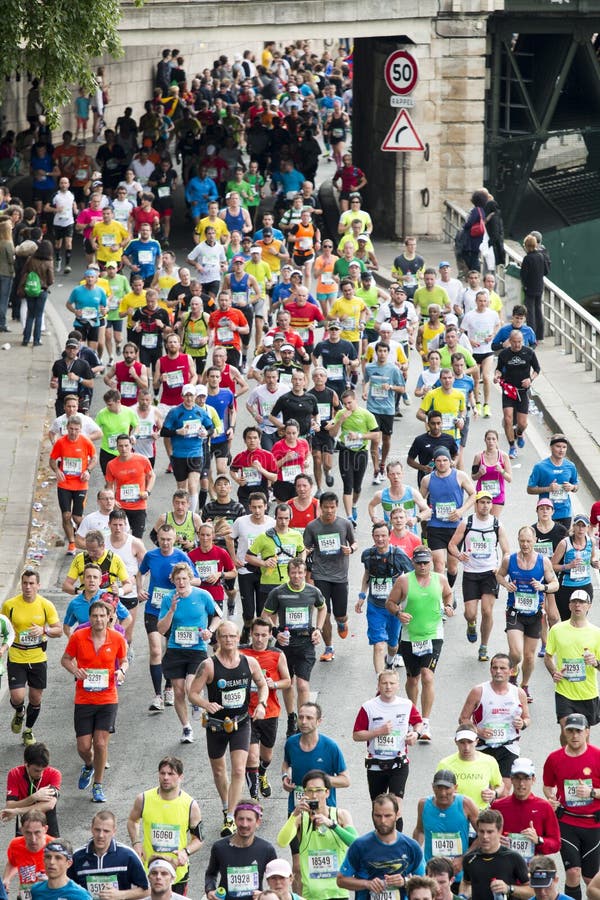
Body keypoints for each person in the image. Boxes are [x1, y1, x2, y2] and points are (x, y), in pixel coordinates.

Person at [188, 622, 269, 837]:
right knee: (218, 771)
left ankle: (231, 817)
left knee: (239, 770)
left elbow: (263, 685)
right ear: (218, 638)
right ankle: (226, 806)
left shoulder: (249, 662)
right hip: (216, 726)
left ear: (238, 637)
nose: (229, 640)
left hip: (241, 723)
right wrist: (206, 704)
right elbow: (192, 693)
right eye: (224, 636)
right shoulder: (209, 665)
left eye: (232, 636)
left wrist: (261, 704)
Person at [61, 600, 128, 803]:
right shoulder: (78, 637)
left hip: (108, 698)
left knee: (100, 743)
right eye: (95, 616)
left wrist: (122, 671)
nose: (98, 619)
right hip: (84, 698)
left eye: (102, 616)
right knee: (83, 747)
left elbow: (124, 660)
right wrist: (75, 670)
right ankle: (89, 766)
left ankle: (98, 785)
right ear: (89, 618)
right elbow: (65, 659)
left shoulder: (117, 638)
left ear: (109, 617)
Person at [385, 546, 454, 741]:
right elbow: (390, 603)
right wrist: (398, 613)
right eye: (419, 563)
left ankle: (425, 722)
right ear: (412, 562)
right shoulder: (404, 581)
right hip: (410, 637)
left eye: (426, 562)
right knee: (413, 679)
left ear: (431, 562)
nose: (422, 566)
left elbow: (448, 594)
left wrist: (448, 606)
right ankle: (412, 716)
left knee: (427, 675)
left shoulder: (440, 579)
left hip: (433, 635)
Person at [157, 562, 221, 744]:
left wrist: (210, 630)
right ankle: (186, 728)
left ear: (190, 579)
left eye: (184, 578)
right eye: (178, 579)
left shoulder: (203, 595)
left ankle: (196, 701)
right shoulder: (168, 598)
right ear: (173, 580)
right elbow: (161, 629)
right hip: (175, 649)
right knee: (178, 692)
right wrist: (171, 611)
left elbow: (218, 615)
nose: (181, 582)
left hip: (197, 649)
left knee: (189, 688)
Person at [263, 559, 327, 736]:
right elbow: (265, 615)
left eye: (300, 573)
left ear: (305, 573)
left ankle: (302, 721)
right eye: (293, 573)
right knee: (287, 683)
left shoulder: (313, 591)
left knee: (302, 684)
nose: (297, 576)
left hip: (306, 642)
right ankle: (291, 717)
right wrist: (276, 633)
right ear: (288, 573)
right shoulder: (278, 592)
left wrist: (318, 629)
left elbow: (322, 608)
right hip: (285, 643)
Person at [353, 669, 423, 829]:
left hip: (398, 763)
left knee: (395, 808)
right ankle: (380, 838)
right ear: (378, 685)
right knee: (378, 809)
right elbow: (356, 735)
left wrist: (416, 733)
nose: (388, 687)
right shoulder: (368, 707)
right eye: (384, 683)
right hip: (375, 764)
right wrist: (378, 732)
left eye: (392, 683)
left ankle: (397, 839)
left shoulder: (406, 705)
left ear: (398, 685)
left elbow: (418, 723)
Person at [496, 525, 559, 701]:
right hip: (515, 612)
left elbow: (555, 584)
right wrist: (506, 584)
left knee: (530, 657)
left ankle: (524, 686)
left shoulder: (543, 561)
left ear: (535, 541)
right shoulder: (509, 560)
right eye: (522, 541)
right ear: (518, 540)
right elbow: (499, 575)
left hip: (534, 614)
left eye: (528, 541)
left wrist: (543, 587)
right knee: (516, 653)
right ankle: (513, 671)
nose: (525, 544)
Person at [2, 569, 61, 747]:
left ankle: (28, 730)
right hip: (17, 656)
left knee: (35, 698)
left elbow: (58, 630)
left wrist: (44, 630)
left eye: (31, 583)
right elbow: (3, 627)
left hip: (37, 657)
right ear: (21, 584)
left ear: (38, 585)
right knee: (17, 697)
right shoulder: (10, 605)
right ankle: (19, 712)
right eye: (25, 583)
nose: (28, 587)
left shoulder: (46, 605)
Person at [543, 713, 600, 897]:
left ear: (587, 732)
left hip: (593, 824)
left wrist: (592, 793)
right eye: (570, 731)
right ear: (564, 733)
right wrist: (551, 797)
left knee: (590, 880)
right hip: (567, 822)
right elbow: (547, 786)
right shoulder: (554, 758)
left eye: (579, 731)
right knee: (573, 872)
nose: (575, 735)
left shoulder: (597, 756)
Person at [448, 491, 510, 662]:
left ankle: (484, 646)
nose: (485, 506)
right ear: (476, 504)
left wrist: (500, 567)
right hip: (470, 573)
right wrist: (459, 555)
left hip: (490, 573)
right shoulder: (467, 523)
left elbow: (506, 551)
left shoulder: (497, 524)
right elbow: (452, 545)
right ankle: (471, 624)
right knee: (470, 613)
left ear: (491, 505)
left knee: (487, 611)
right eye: (482, 502)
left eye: (488, 502)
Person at [277, 770, 357, 900]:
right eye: (309, 791)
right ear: (304, 793)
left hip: (338, 894)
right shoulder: (300, 818)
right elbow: (281, 842)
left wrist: (332, 825)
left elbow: (356, 844)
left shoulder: (340, 815)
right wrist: (294, 815)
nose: (314, 795)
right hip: (311, 895)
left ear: (327, 792)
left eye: (319, 790)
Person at [127, 756, 203, 892]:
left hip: (177, 872)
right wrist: (136, 842)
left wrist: (185, 852)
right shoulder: (143, 799)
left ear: (181, 777)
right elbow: (133, 821)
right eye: (162, 773)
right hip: (150, 871)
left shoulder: (190, 805)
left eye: (171, 774)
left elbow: (198, 839)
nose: (166, 777)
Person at [458, 653, 531, 794]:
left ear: (511, 671)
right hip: (483, 746)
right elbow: (463, 719)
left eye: (502, 668)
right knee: (483, 790)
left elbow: (527, 718)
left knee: (503, 792)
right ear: (490, 670)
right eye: (495, 667)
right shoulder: (478, 691)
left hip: (508, 746)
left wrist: (522, 723)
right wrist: (478, 731)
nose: (498, 671)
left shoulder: (519, 693)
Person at [241, 618, 292, 800]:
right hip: (246, 712)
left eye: (264, 635)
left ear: (271, 635)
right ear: (250, 634)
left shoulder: (277, 654)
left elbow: (288, 681)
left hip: (270, 712)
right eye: (256, 634)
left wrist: (274, 684)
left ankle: (262, 774)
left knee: (266, 756)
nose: (259, 639)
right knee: (252, 756)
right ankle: (254, 797)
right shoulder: (241, 653)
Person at [337, 794, 425, 898]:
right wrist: (367, 884)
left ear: (397, 815)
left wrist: (404, 881)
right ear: (372, 815)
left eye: (388, 816)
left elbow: (425, 881)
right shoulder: (359, 846)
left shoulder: (411, 847)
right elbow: (341, 880)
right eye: (378, 816)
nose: (383, 821)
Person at [303, 493, 356, 663]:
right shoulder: (312, 527)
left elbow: (354, 543)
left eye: (332, 507)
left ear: (337, 507)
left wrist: (351, 549)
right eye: (325, 507)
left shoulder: (344, 524)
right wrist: (303, 559)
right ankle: (329, 648)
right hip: (320, 574)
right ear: (320, 507)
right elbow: (305, 547)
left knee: (340, 615)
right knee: (324, 612)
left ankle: (342, 622)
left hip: (340, 575)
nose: (329, 510)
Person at [357, 523, 414, 672]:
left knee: (393, 645)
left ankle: (389, 661)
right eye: (377, 536)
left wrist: (409, 600)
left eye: (383, 535)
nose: (380, 539)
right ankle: (380, 678)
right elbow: (367, 574)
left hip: (394, 607)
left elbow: (412, 577)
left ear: (389, 536)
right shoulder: (367, 555)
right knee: (379, 645)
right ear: (372, 537)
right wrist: (362, 595)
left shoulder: (399, 555)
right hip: (375, 607)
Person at [544, 589, 600, 735]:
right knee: (567, 731)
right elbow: (548, 657)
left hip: (588, 693)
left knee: (582, 737)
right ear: (569, 606)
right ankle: (565, 750)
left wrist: (595, 662)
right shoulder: (557, 630)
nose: (577, 605)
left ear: (589, 606)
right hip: (564, 692)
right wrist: (554, 672)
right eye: (574, 602)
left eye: (582, 602)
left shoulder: (596, 633)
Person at [420, 446, 475, 584]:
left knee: (452, 567)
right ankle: (441, 594)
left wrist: (461, 511)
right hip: (435, 526)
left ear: (450, 461)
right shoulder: (427, 480)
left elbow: (474, 494)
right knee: (439, 565)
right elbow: (420, 500)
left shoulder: (460, 476)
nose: (442, 463)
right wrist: (426, 512)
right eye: (438, 461)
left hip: (455, 527)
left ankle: (448, 590)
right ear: (434, 462)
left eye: (445, 460)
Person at [326, 389, 380, 523]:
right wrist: (340, 420)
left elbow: (376, 435)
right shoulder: (341, 413)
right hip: (346, 452)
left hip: (361, 452)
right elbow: (332, 434)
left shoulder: (366, 415)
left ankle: (354, 504)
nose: (347, 406)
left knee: (357, 487)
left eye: (349, 403)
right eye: (345, 404)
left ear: (355, 400)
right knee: (347, 485)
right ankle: (349, 517)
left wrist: (359, 436)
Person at [491, 757, 561, 861]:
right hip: (504, 864)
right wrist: (495, 840)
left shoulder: (544, 807)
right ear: (511, 779)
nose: (521, 783)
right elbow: (484, 835)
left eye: (526, 778)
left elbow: (556, 844)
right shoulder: (497, 806)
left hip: (533, 866)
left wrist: (538, 840)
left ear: (533, 780)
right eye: (517, 778)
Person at [204, 800, 277, 900]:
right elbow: (211, 874)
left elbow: (277, 880)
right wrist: (210, 890)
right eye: (241, 819)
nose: (244, 824)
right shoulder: (219, 847)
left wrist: (264, 895)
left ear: (258, 822)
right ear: (234, 820)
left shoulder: (266, 849)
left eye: (249, 819)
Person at [160, 383, 214, 514]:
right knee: (182, 489)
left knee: (193, 485)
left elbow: (211, 428)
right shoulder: (175, 412)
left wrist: (206, 433)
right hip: (179, 455)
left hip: (195, 453)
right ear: (182, 396)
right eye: (187, 395)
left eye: (191, 395)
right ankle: (182, 512)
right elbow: (163, 432)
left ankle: (192, 515)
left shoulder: (200, 412)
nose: (189, 398)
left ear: (195, 396)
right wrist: (177, 432)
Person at [70, 810, 148, 898]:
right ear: (91, 829)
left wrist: (120, 895)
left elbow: (147, 889)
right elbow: (65, 887)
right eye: (97, 830)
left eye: (106, 831)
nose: (101, 835)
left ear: (114, 832)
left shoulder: (128, 855)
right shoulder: (77, 857)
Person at [246, 503, 305, 618]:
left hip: (290, 582)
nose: (283, 522)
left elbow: (302, 550)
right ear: (275, 518)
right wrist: (264, 563)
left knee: (288, 616)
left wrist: (300, 565)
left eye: (286, 518)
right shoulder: (264, 537)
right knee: (268, 618)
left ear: (291, 517)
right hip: (269, 582)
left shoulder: (296, 535)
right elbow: (248, 557)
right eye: (280, 518)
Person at [49, 415, 97, 554]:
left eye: (76, 429)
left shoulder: (86, 442)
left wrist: (88, 470)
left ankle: (91, 536)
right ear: (67, 428)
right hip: (64, 484)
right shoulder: (60, 442)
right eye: (71, 429)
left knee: (77, 517)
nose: (73, 432)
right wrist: (57, 470)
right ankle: (71, 543)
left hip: (80, 484)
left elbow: (94, 458)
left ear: (80, 429)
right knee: (66, 515)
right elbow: (52, 460)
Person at [413, 769, 479, 871]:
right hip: (432, 869)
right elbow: (420, 831)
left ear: (455, 788)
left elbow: (483, 835)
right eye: (439, 788)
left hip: (458, 869)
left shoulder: (466, 804)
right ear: (433, 787)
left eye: (447, 788)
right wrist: (414, 857)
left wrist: (463, 858)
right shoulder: (423, 804)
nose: (443, 793)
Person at [461, 809, 530, 900]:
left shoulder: (514, 858)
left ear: (499, 831)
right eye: (481, 831)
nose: (485, 836)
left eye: (490, 832)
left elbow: (532, 891)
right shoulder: (469, 858)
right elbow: (466, 884)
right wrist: (462, 896)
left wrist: (509, 888)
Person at [363, 342, 405, 482]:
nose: (382, 353)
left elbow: (402, 388)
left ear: (388, 353)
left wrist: (391, 387)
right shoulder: (369, 367)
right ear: (376, 353)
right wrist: (364, 392)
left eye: (384, 351)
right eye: (380, 351)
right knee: (375, 439)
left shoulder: (393, 369)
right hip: (372, 408)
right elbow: (366, 381)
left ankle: (382, 463)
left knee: (386, 439)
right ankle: (375, 470)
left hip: (387, 409)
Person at [494, 331, 540, 458]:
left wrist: (530, 379)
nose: (517, 344)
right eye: (514, 342)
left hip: (522, 391)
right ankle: (512, 447)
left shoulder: (529, 352)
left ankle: (519, 433)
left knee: (522, 423)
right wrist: (497, 376)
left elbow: (537, 369)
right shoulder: (504, 354)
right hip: (509, 390)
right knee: (508, 418)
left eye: (519, 342)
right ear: (510, 341)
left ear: (522, 341)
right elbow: (498, 369)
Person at [436, 724, 504, 809]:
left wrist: (494, 793)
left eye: (470, 742)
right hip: (454, 811)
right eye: (462, 742)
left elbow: (500, 785)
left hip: (480, 812)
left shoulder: (489, 761)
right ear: (456, 742)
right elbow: (437, 790)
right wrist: (447, 794)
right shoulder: (445, 764)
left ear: (476, 741)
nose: (466, 747)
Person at [2, 744, 61, 836]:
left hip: (48, 825)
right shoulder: (15, 774)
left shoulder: (54, 774)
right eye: (36, 770)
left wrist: (17, 811)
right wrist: (34, 797)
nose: (40, 774)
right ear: (26, 763)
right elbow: (10, 805)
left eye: (43, 770)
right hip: (25, 825)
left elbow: (49, 805)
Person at [105, 434, 156, 538]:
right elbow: (109, 485)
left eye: (126, 445)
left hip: (139, 505)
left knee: (137, 538)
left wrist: (147, 492)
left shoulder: (142, 460)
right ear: (117, 447)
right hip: (121, 506)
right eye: (120, 446)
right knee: (121, 537)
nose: (123, 449)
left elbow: (152, 476)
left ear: (131, 445)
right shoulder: (111, 464)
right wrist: (113, 500)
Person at [551, 515, 598, 621]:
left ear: (588, 528)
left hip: (585, 585)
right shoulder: (565, 543)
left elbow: (592, 558)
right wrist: (568, 566)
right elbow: (552, 566)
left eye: (583, 526)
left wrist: (595, 563)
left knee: (580, 619)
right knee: (567, 620)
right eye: (578, 525)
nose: (580, 529)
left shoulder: (591, 542)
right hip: (566, 586)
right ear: (573, 527)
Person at [2, 810, 53, 897]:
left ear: (45, 829)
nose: (33, 839)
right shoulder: (15, 845)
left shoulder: (55, 847)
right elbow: (13, 863)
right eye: (28, 833)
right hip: (26, 895)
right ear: (22, 830)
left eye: (37, 833)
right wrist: (7, 879)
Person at [471, 429, 512, 518]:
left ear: (497, 441)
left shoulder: (503, 456)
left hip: (497, 495)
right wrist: (479, 473)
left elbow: (509, 479)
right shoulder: (478, 457)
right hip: (481, 495)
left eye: (493, 439)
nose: (491, 442)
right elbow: (473, 477)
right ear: (485, 440)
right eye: (488, 439)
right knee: (480, 520)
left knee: (493, 521)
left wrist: (501, 471)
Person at [520, 234, 546, 341]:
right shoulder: (541, 256)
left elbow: (523, 275)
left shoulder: (527, 258)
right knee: (538, 310)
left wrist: (525, 285)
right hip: (539, 287)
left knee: (530, 312)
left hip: (530, 288)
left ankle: (532, 336)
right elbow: (545, 271)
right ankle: (540, 335)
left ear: (527, 246)